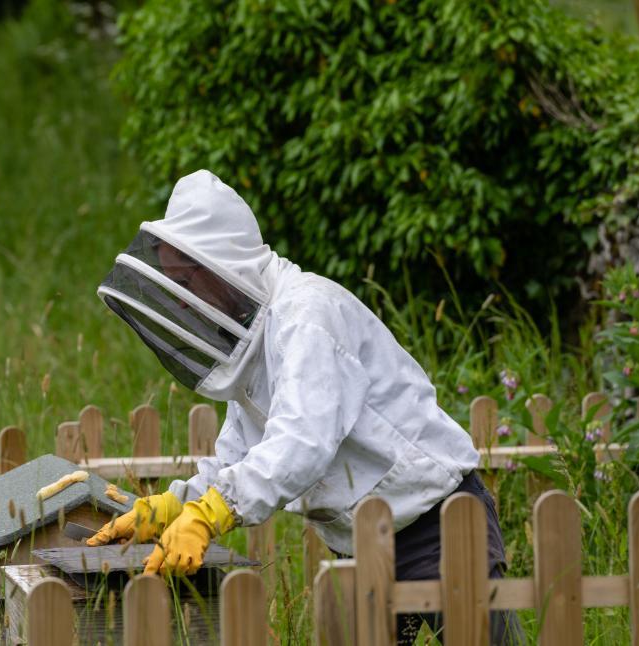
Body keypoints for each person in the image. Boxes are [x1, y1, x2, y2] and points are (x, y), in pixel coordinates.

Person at [89, 170, 524, 644]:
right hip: (363, 544)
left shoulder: (307, 315)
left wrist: (214, 513)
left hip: (437, 526)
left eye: (188, 278)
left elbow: (302, 442)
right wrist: (180, 503)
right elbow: (245, 451)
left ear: (221, 260)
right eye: (175, 282)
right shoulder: (255, 341)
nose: (186, 300)